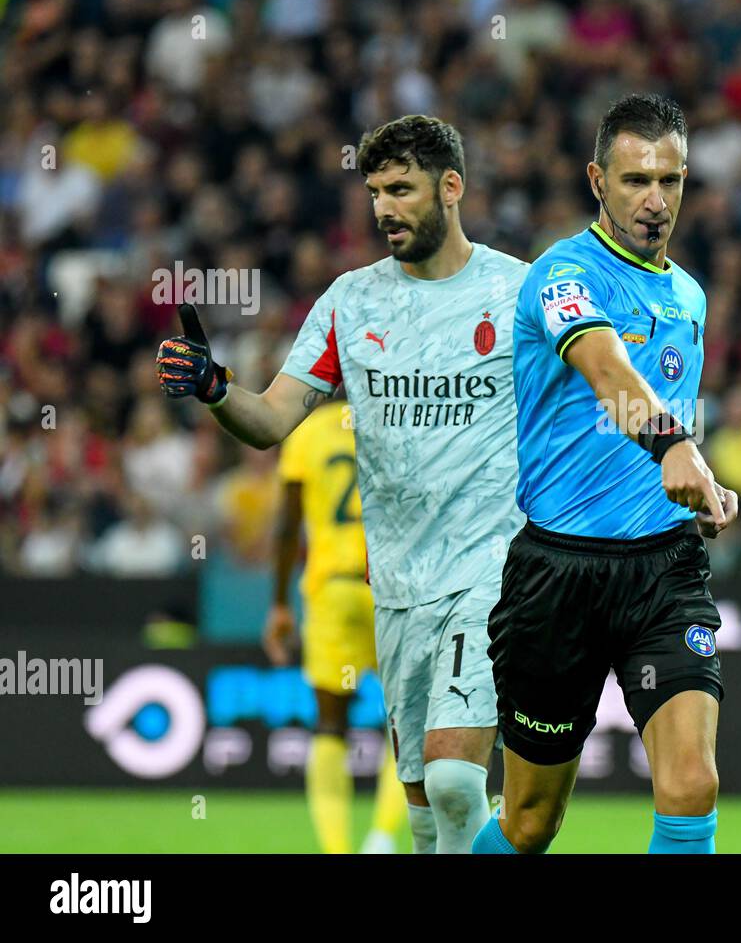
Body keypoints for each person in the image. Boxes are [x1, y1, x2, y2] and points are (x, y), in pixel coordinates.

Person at [157, 115, 528, 853]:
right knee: (424, 811)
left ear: (452, 187)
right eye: (375, 192)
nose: (385, 208)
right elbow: (269, 421)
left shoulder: (518, 293)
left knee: (458, 786)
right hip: (391, 585)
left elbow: (586, 405)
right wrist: (214, 385)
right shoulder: (349, 304)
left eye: (402, 189)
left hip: (489, 574)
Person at [473, 94, 739, 855]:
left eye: (671, 180)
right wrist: (673, 447)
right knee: (530, 822)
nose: (655, 201)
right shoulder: (563, 275)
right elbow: (606, 369)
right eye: (634, 181)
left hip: (665, 569)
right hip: (559, 577)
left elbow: (661, 408)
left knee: (692, 783)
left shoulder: (688, 292)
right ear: (597, 179)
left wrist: (701, 481)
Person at [262, 393, 408, 854]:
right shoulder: (394, 419)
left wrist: (280, 604)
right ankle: (383, 836)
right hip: (392, 584)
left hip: (333, 588)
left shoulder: (306, 432)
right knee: (406, 721)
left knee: (329, 723)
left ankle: (337, 850)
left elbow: (287, 526)